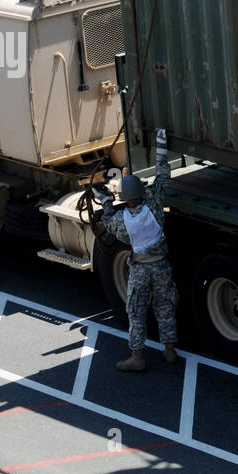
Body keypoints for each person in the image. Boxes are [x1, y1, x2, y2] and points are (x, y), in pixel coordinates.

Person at [95, 128, 179, 372]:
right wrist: (161, 147)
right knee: (165, 306)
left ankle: (137, 356)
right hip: (161, 266)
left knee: (136, 310)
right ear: (142, 193)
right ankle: (170, 350)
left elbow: (108, 222)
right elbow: (162, 176)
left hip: (140, 270)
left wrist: (105, 201)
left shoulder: (122, 221)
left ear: (125, 197)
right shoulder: (154, 206)